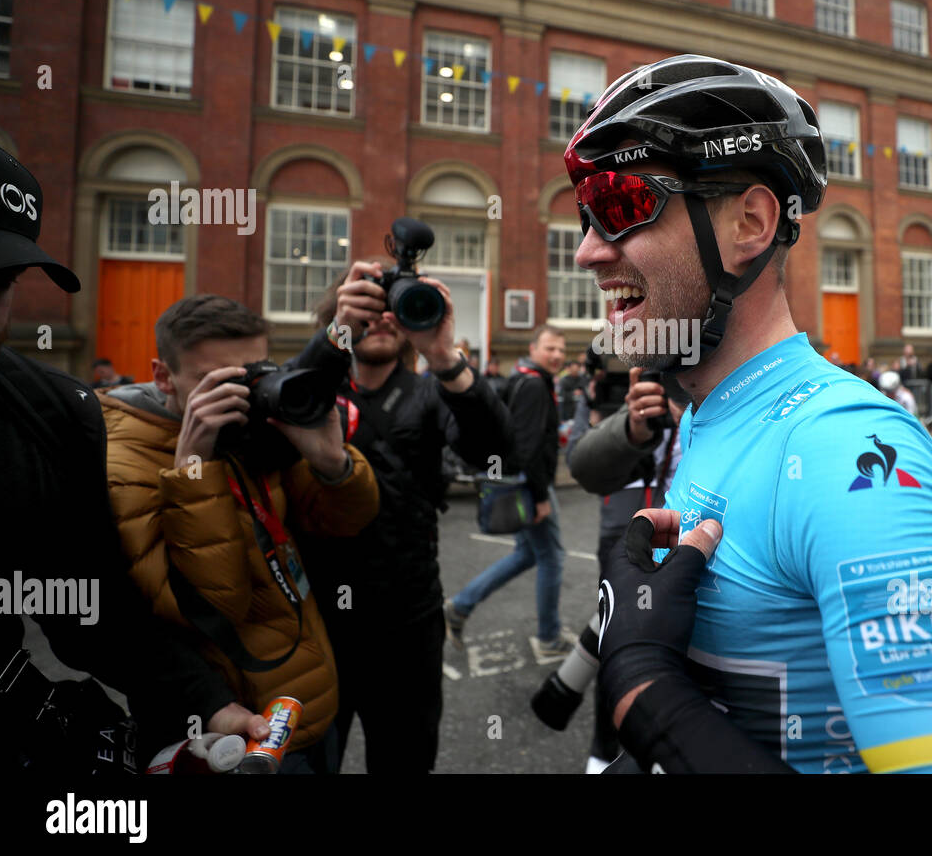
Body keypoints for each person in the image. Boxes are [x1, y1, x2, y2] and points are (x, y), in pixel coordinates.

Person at [567, 53, 932, 773]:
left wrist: (647, 696)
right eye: (586, 216)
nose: (589, 250)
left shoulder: (846, 450)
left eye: (620, 205)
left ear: (749, 223)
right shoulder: (710, 413)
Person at [0, 147, 269, 772]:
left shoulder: (54, 413)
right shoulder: (116, 436)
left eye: (1, 286)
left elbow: (87, 603)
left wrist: (204, 700)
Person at [99, 294, 381, 773]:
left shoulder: (250, 432)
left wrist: (333, 464)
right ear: (164, 376)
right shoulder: (125, 464)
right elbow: (209, 607)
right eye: (221, 382)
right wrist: (192, 469)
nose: (245, 394)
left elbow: (344, 522)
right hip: (235, 732)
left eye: (256, 374)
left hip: (306, 704)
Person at [284, 257, 511, 773]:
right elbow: (269, 415)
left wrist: (443, 355)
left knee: (404, 762)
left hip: (407, 621)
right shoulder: (312, 388)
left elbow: (496, 450)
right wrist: (335, 336)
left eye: (393, 310)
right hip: (318, 622)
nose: (382, 318)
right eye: (368, 306)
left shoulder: (431, 392)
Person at [554, 366, 686, 771]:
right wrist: (631, 426)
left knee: (680, 651)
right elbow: (581, 461)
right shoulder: (613, 386)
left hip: (693, 525)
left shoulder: (705, 380)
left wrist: (690, 415)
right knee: (619, 643)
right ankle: (603, 749)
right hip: (627, 526)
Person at [445, 325, 573, 658]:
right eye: (550, 348)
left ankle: (460, 607)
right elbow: (528, 447)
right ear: (533, 348)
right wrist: (542, 496)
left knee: (527, 553)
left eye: (561, 349)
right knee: (552, 558)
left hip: (524, 483)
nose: (557, 355)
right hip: (532, 486)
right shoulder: (533, 385)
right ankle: (549, 637)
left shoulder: (524, 377)